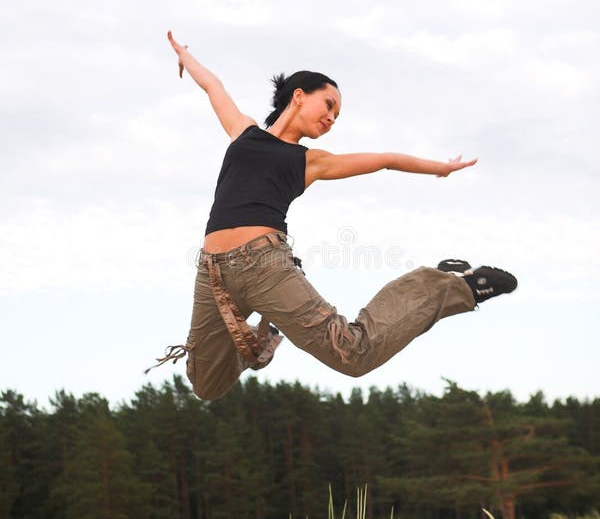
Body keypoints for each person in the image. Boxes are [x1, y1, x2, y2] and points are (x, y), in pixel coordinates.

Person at [146, 31, 517, 401]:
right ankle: (264, 338)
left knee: (352, 354)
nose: (331, 118)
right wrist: (184, 56)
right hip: (212, 272)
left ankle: (451, 283)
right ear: (299, 95)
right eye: (328, 105)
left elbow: (386, 160)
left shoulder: (310, 162)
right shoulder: (244, 132)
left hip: (264, 266)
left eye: (336, 114)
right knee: (205, 385)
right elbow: (213, 86)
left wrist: (441, 168)